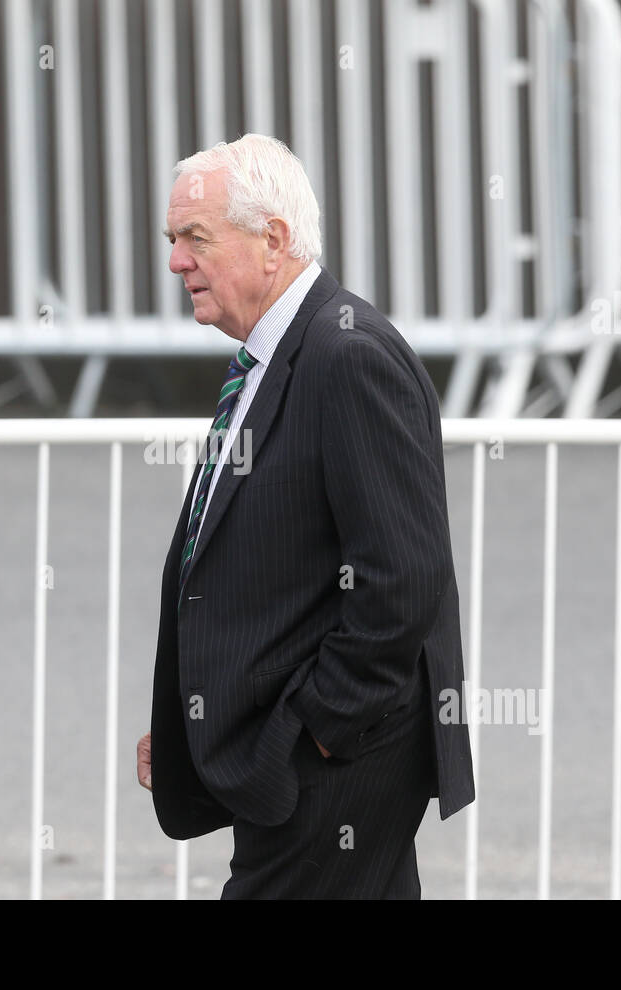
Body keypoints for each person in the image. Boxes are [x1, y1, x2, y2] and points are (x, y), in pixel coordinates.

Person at [136, 134, 475, 898]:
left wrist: (313, 731)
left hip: (337, 764)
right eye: (172, 240)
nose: (175, 262)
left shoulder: (346, 355)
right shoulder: (276, 351)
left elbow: (404, 577)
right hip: (311, 754)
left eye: (194, 238)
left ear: (273, 240)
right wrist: (200, 715)